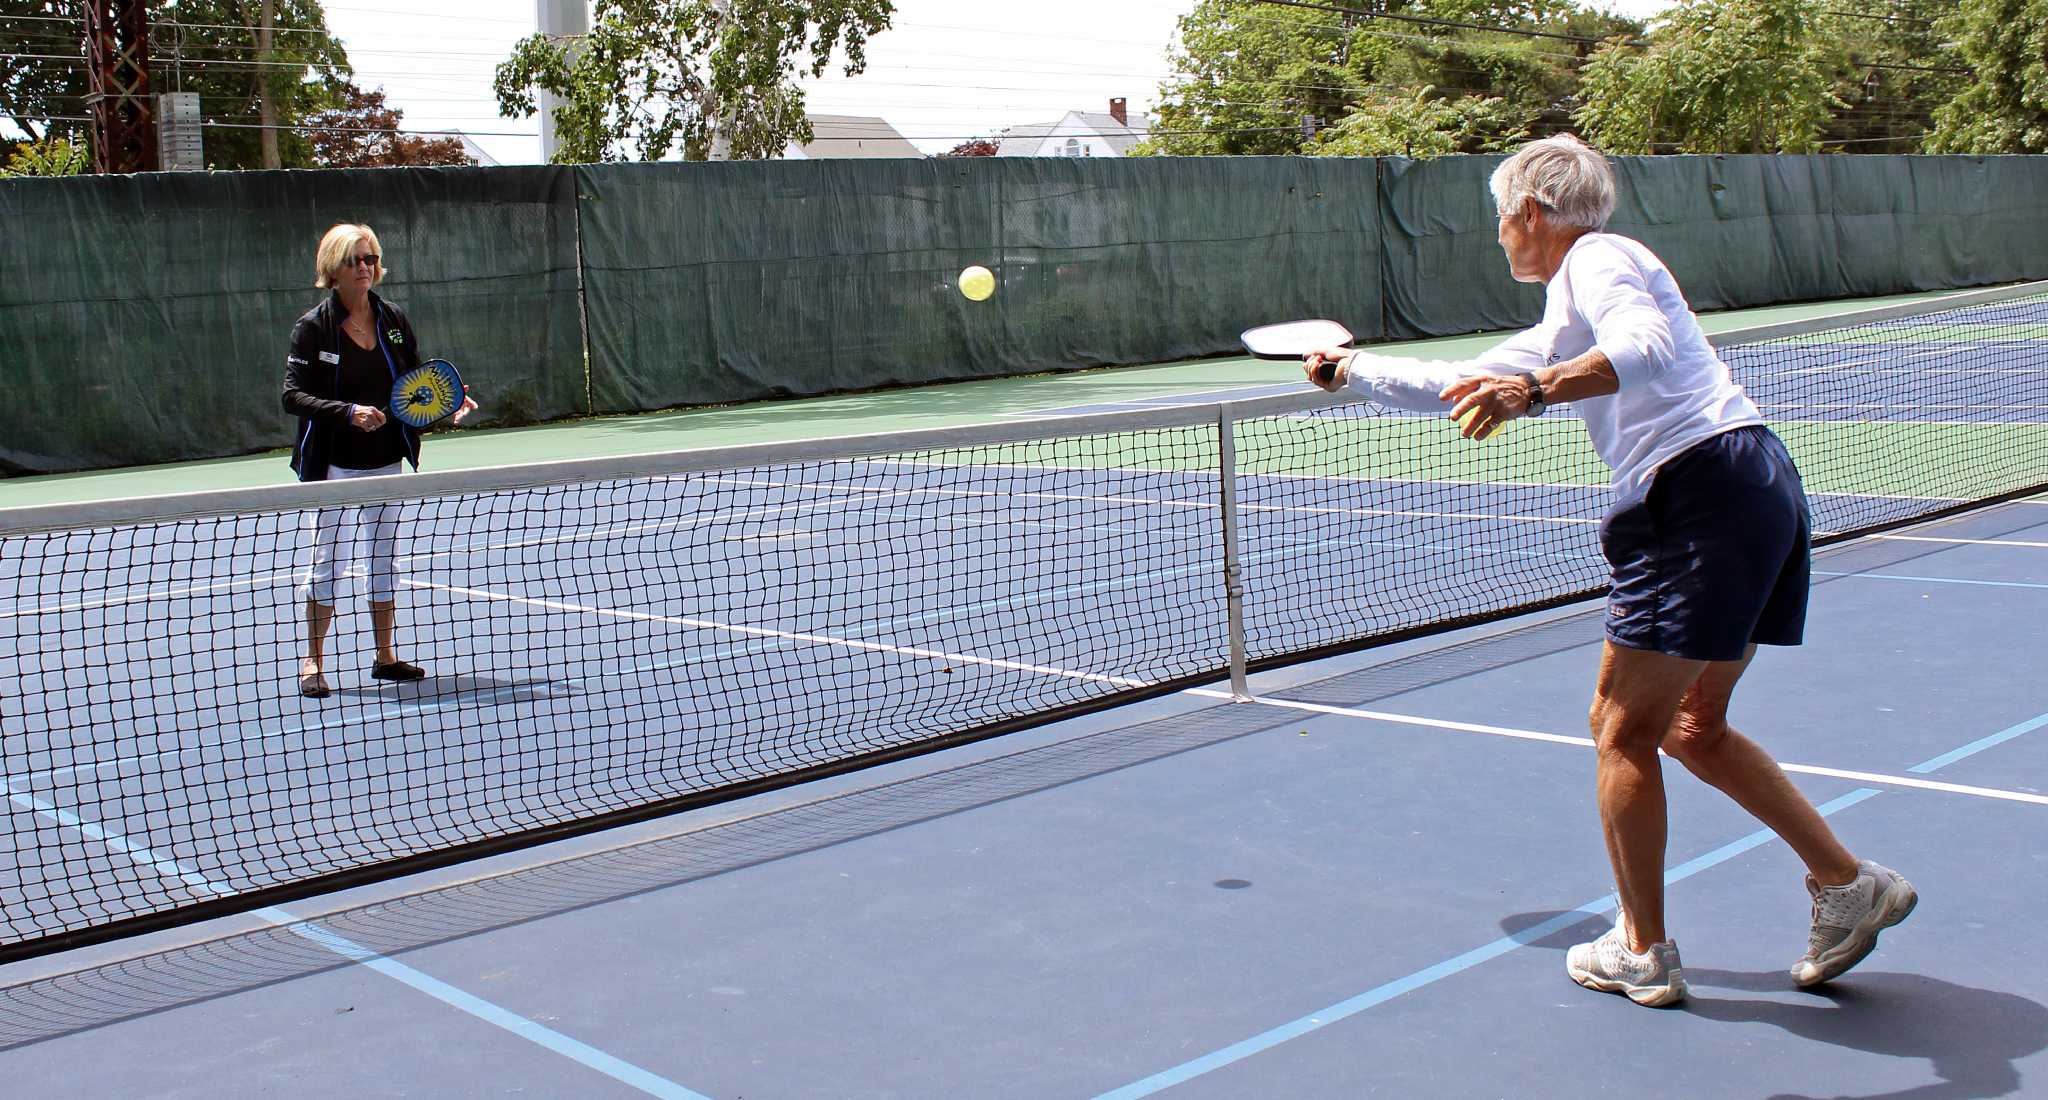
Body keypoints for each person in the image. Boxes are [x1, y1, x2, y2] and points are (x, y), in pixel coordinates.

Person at [1304, 135, 1915, 1007]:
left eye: (1500, 220)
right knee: (1693, 726)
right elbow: (1466, 377)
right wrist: (1355, 370)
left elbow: (1648, 345)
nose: (1500, 236)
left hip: (1695, 497)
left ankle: (1642, 949)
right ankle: (1848, 884)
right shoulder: (1565, 312)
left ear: (1530, 213)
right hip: (1754, 483)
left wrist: (1538, 391)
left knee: (1620, 729)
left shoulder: (1598, 257)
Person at [281, 223, 476, 699]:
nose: (365, 268)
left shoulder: (392, 319)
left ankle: (385, 656)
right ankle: (313, 661)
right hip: (331, 464)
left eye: (370, 259)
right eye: (355, 260)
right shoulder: (312, 329)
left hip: (385, 458)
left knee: (384, 559)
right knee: (327, 562)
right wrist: (348, 413)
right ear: (334, 268)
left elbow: (413, 383)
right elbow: (292, 396)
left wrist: (446, 404)